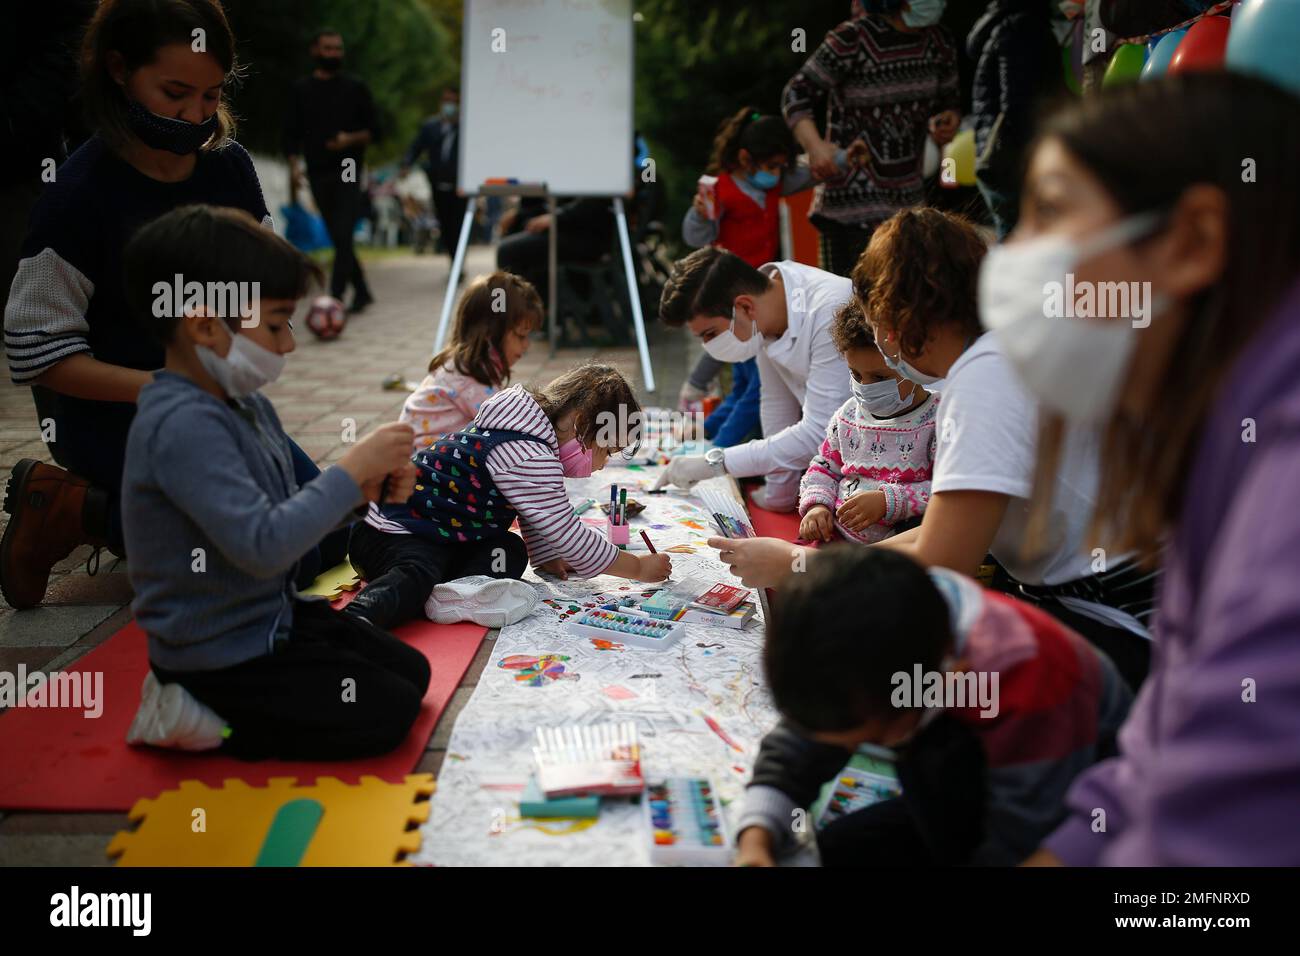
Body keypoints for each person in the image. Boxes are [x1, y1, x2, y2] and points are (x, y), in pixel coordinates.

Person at [980, 73, 1300, 866]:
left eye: (1050, 212)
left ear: (1192, 240)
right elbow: (1163, 754)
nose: (1012, 256)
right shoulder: (1222, 443)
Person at [709, 208, 1157, 690]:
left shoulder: (983, 381)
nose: (879, 347)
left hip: (1120, 621)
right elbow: (941, 535)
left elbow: (945, 557)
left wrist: (797, 565)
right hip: (1105, 598)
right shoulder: (1002, 353)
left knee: (887, 687)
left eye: (875, 326)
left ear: (893, 321)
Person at [1, 0, 345, 610]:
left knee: (333, 530)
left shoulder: (230, 169)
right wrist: (162, 387)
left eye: (211, 97)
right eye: (175, 92)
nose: (194, 116)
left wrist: (259, 338)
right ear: (117, 70)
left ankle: (135, 517)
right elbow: (36, 351)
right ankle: (68, 507)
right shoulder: (78, 194)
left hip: (216, 407)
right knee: (265, 556)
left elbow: (265, 289)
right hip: (116, 415)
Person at [119, 204, 425, 759]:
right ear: (206, 324)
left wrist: (364, 494)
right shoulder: (181, 425)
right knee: (389, 712)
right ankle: (192, 709)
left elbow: (292, 512)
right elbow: (263, 546)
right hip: (217, 652)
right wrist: (350, 470)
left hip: (270, 616)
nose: (288, 345)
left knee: (414, 673)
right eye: (278, 323)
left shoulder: (246, 404)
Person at [733, 546, 1130, 866]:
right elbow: (809, 733)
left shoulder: (1024, 678)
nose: (859, 745)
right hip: (974, 770)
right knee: (838, 848)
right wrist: (757, 837)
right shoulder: (894, 629)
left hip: (1079, 816)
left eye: (873, 738)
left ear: (943, 680)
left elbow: (1023, 842)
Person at [346, 365, 673, 631]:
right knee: (417, 570)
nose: (600, 466)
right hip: (390, 532)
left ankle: (445, 593)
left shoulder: (529, 434)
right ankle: (357, 619)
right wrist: (638, 568)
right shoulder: (528, 452)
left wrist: (546, 557)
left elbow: (534, 512)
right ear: (581, 425)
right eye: (605, 451)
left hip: (442, 536)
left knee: (510, 552)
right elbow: (565, 530)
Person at [678, 108, 865, 450]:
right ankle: (714, 436)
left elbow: (813, 170)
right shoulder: (720, 190)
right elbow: (695, 234)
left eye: (781, 167)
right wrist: (700, 213)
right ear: (746, 159)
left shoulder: (776, 181)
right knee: (747, 384)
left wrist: (842, 157)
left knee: (750, 387)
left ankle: (716, 439)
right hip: (737, 297)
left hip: (764, 296)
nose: (776, 173)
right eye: (772, 166)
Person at [653, 248, 851, 512]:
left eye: (710, 334)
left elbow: (822, 433)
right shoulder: (766, 317)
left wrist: (715, 462)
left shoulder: (829, 311)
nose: (708, 346)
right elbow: (776, 409)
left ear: (745, 306)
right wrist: (779, 496)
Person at [782, 0, 961, 275]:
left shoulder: (939, 42)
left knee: (906, 308)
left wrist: (949, 120)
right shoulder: (853, 38)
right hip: (849, 210)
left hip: (908, 209)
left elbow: (948, 101)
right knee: (849, 309)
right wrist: (815, 147)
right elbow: (796, 93)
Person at [798, 300, 937, 545]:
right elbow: (824, 467)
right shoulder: (847, 415)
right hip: (839, 540)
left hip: (902, 550)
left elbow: (946, 493)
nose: (865, 386)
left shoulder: (938, 419)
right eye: (856, 374)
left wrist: (888, 501)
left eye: (880, 377)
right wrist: (817, 506)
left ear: (916, 366)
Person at [283, 28, 379, 313]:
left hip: (348, 170)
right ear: (316, 51)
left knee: (344, 233)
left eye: (338, 49)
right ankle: (362, 290)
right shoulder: (301, 90)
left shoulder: (355, 87)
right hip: (317, 172)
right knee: (340, 237)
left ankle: (334, 301)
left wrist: (349, 139)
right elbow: (290, 135)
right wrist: (293, 167)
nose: (334, 54)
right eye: (328, 48)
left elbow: (375, 130)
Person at [400, 271, 542, 450]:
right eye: (521, 336)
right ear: (490, 334)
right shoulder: (471, 378)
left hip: (423, 456)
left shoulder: (464, 366)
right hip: (428, 467)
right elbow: (509, 426)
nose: (527, 345)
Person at [965, 0, 1059, 238]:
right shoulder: (1022, 27)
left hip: (995, 155)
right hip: (1011, 157)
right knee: (1019, 241)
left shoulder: (1002, 25)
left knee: (1012, 237)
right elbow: (1017, 104)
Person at [495, 196, 615, 306]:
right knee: (518, 228)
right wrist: (519, 214)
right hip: (570, 222)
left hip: (588, 231)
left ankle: (514, 314)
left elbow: (595, 203)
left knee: (507, 251)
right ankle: (531, 313)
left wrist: (556, 217)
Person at [401, 87, 464, 270]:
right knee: (445, 224)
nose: (449, 105)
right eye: (446, 101)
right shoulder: (431, 126)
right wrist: (406, 164)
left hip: (459, 185)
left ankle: (457, 263)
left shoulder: (465, 126)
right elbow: (416, 147)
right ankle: (454, 260)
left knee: (459, 225)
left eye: (453, 101)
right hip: (437, 183)